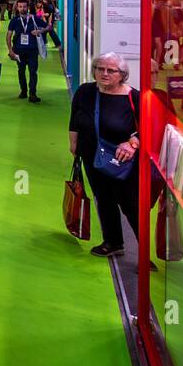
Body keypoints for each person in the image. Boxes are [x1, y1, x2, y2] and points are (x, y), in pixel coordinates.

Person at [69, 54, 140, 258]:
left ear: (122, 74)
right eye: (100, 69)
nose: (104, 73)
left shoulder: (133, 97)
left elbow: (147, 128)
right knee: (104, 198)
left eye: (111, 70)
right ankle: (113, 242)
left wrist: (132, 143)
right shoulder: (85, 91)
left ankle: (145, 252)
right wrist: (74, 144)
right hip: (91, 156)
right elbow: (75, 119)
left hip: (122, 161)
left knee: (130, 204)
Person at [7, 0, 42, 103]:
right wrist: (10, 50)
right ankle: (23, 91)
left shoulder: (34, 18)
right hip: (19, 51)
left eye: (24, 7)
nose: (22, 9)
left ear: (28, 7)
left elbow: (48, 27)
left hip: (32, 50)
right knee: (21, 72)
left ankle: (33, 94)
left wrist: (40, 31)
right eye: (20, 7)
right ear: (17, 8)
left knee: (33, 72)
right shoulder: (14, 20)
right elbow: (8, 35)